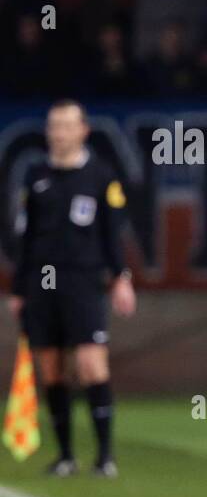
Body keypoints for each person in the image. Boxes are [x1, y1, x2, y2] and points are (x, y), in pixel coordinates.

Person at [8, 99, 135, 477]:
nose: (58, 133)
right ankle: (65, 456)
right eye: (53, 125)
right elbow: (27, 237)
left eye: (66, 125)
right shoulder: (36, 176)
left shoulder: (101, 176)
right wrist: (18, 290)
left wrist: (121, 278)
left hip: (83, 281)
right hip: (41, 284)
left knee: (91, 364)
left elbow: (113, 235)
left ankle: (105, 456)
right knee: (51, 369)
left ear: (83, 131)